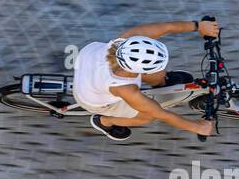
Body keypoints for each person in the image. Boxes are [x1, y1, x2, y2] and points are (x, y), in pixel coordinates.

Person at [73, 19, 221, 141]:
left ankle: (163, 82)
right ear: (134, 70)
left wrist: (198, 26)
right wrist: (197, 127)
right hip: (89, 98)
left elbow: (166, 26)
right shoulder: (125, 89)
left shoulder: (124, 42)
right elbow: (161, 114)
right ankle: (104, 122)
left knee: (158, 74)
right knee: (146, 116)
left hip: (89, 60)